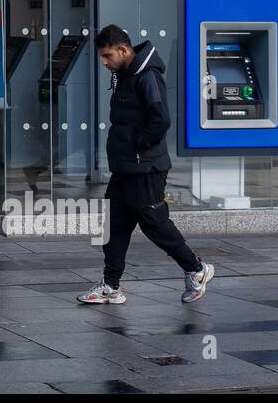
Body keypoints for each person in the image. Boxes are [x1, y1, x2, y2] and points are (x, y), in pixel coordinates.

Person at [78, 25, 214, 305]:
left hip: (145, 167)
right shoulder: (124, 75)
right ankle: (111, 285)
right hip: (125, 167)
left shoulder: (147, 77)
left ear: (123, 50)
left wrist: (138, 144)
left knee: (154, 223)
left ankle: (196, 269)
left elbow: (161, 119)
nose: (104, 63)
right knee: (113, 225)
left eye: (107, 56)